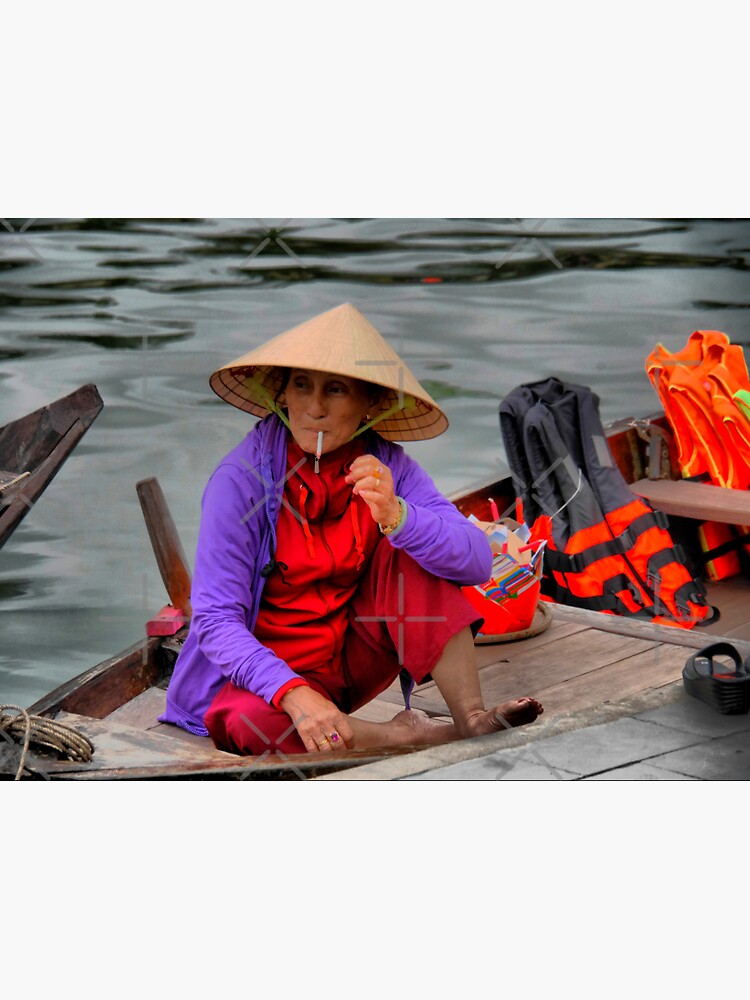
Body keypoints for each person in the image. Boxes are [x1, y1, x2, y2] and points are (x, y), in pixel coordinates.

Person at [159, 303, 543, 755]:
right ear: (282, 393)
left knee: (414, 548)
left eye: (336, 390)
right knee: (251, 724)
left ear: (371, 404)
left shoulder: (389, 465)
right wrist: (293, 693)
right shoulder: (240, 480)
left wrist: (398, 516)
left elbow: (477, 560)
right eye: (301, 385)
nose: (314, 407)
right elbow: (216, 620)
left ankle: (471, 717)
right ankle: (409, 735)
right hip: (260, 688)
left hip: (343, 663)